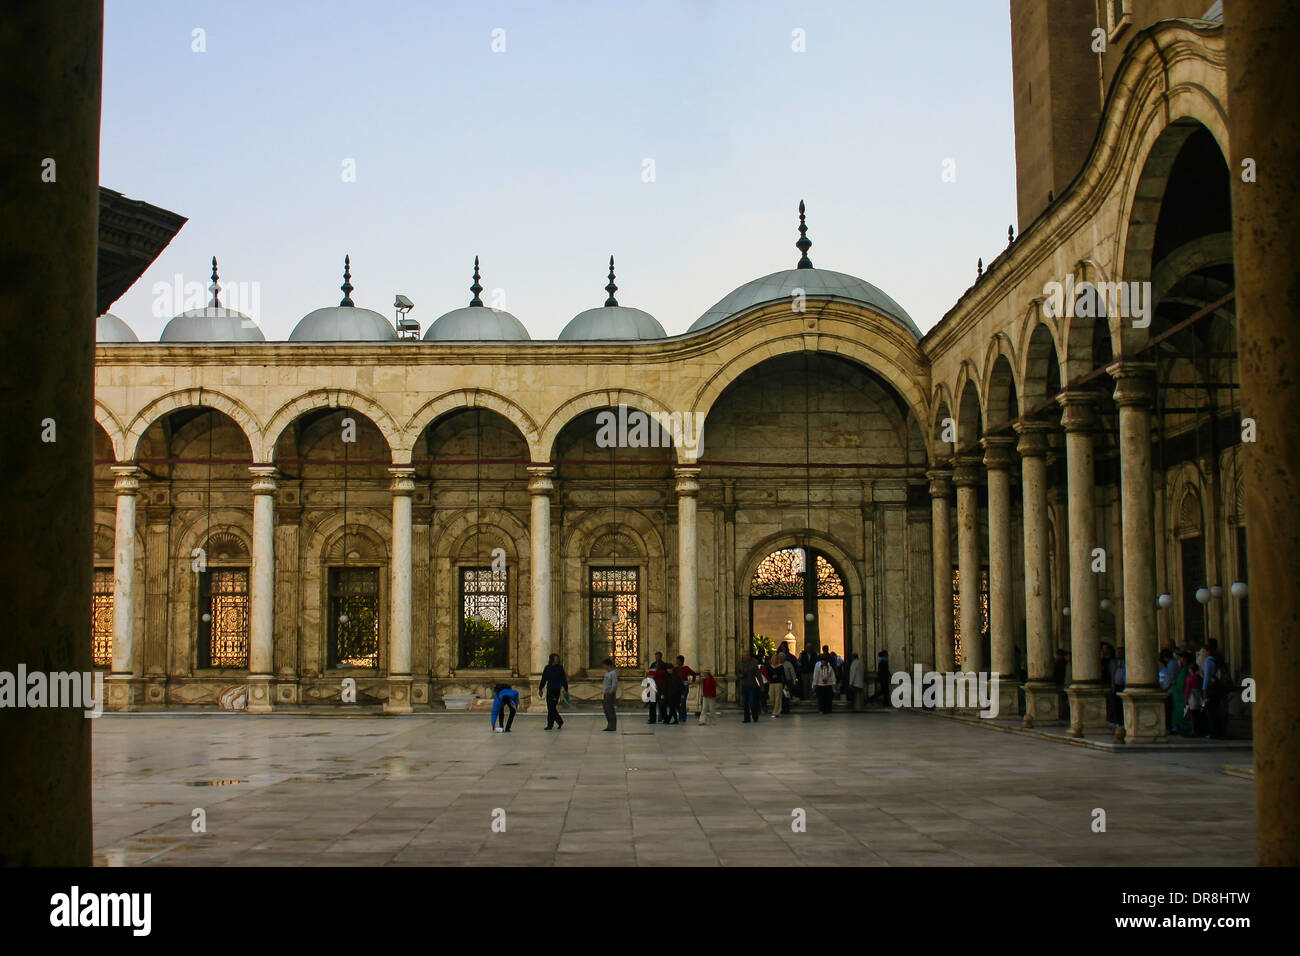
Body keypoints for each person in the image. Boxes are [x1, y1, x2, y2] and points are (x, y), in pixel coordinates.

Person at [539, 652, 568, 730]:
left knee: (552, 707)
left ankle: (550, 724)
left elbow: (563, 679)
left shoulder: (560, 668)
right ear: (552, 660)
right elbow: (544, 679)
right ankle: (559, 721)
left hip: (556, 690)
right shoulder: (547, 668)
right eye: (555, 659)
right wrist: (540, 688)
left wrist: (566, 689)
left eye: (557, 659)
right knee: (550, 707)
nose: (557, 660)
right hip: (549, 689)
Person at [737, 651, 762, 723]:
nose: (745, 657)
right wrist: (740, 676)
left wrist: (761, 686)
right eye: (744, 656)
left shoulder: (754, 664)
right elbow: (738, 674)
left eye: (747, 655)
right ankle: (746, 718)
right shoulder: (740, 665)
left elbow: (758, 675)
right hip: (744, 685)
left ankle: (755, 715)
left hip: (752, 686)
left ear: (749, 656)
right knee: (745, 703)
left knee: (752, 702)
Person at [675, 655, 698, 723]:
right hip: (677, 688)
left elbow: (694, 674)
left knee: (683, 702)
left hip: (684, 687)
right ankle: (680, 716)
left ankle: (683, 717)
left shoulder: (686, 668)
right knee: (677, 703)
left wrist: (692, 682)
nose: (677, 662)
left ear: (681, 661)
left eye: (678, 661)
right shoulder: (675, 669)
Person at [601, 657, 618, 731]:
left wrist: (611, 692)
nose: (604, 667)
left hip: (610, 694)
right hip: (606, 693)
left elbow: (614, 684)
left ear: (608, 665)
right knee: (606, 709)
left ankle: (612, 726)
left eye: (605, 665)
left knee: (610, 709)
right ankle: (609, 724)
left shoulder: (613, 673)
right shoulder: (606, 673)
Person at [767, 652, 786, 718]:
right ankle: (774, 709)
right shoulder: (769, 667)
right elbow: (767, 675)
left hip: (778, 683)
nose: (774, 660)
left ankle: (776, 712)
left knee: (778, 698)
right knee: (771, 697)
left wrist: (785, 684)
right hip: (771, 683)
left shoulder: (781, 667)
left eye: (776, 659)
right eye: (773, 659)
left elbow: (783, 675)